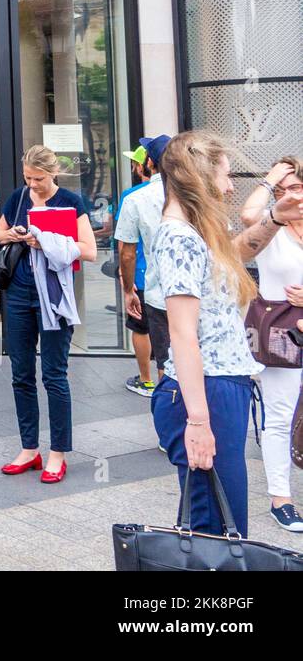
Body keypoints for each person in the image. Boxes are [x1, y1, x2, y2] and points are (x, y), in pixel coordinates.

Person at [149, 131, 303, 537]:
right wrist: (199, 421)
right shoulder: (179, 237)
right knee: (215, 529)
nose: (230, 185)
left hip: (220, 388)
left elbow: (233, 256)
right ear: (200, 177)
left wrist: (275, 217)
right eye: (225, 175)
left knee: (223, 521)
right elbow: (183, 335)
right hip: (206, 393)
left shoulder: (195, 234)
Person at [0, 144, 95, 483]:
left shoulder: (70, 202)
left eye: (39, 179)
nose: (33, 184)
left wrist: (47, 241)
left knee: (54, 375)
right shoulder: (18, 198)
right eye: (28, 178)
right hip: (19, 293)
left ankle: (58, 453)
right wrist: (16, 235)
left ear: (54, 174)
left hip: (54, 296)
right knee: (21, 373)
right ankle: (29, 449)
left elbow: (89, 250)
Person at [238, 155, 303, 532]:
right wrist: (270, 179)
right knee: (280, 415)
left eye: (297, 187)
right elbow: (249, 217)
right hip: (281, 333)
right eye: (284, 190)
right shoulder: (270, 232)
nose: (292, 195)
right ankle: (282, 497)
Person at [115, 136, 172, 400]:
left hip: (155, 288)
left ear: (149, 162)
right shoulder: (197, 193)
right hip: (195, 290)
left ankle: (168, 419)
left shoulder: (136, 198)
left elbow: (126, 252)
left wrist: (127, 289)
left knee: (163, 356)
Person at [113, 143, 156, 397]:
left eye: (135, 162)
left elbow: (124, 243)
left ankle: (146, 380)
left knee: (141, 327)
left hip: (140, 273)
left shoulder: (133, 196)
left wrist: (124, 276)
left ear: (143, 165)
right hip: (169, 277)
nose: (132, 166)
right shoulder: (177, 193)